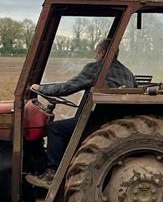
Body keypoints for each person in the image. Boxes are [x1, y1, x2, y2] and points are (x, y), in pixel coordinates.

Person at [27, 38, 135, 188]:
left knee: (55, 128)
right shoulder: (128, 73)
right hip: (117, 122)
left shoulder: (97, 68)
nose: (95, 56)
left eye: (96, 53)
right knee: (69, 125)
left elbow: (67, 88)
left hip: (99, 122)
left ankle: (52, 174)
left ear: (102, 52)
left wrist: (40, 88)